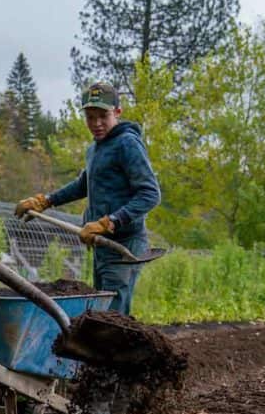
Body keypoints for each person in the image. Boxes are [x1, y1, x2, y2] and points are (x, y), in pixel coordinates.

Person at [14, 82, 161, 315]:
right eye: (90, 117)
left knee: (112, 314)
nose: (96, 124)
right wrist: (46, 201)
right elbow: (83, 184)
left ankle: (117, 350)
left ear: (118, 112)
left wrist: (110, 221)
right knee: (101, 310)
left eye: (103, 116)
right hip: (101, 243)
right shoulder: (95, 149)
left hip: (123, 245)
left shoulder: (127, 144)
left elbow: (150, 194)